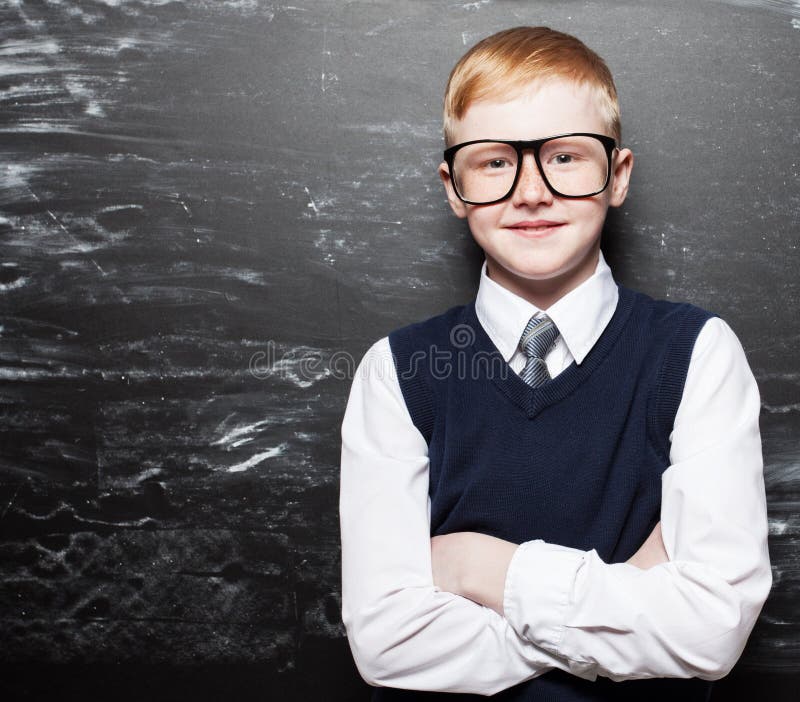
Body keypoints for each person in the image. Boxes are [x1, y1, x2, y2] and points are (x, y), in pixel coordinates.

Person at [339, 26, 771, 701]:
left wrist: (484, 570)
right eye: (494, 162)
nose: (532, 192)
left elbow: (712, 631)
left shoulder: (696, 355)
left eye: (565, 157)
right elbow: (386, 642)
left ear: (617, 176)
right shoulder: (397, 372)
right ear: (453, 187)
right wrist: (629, 594)